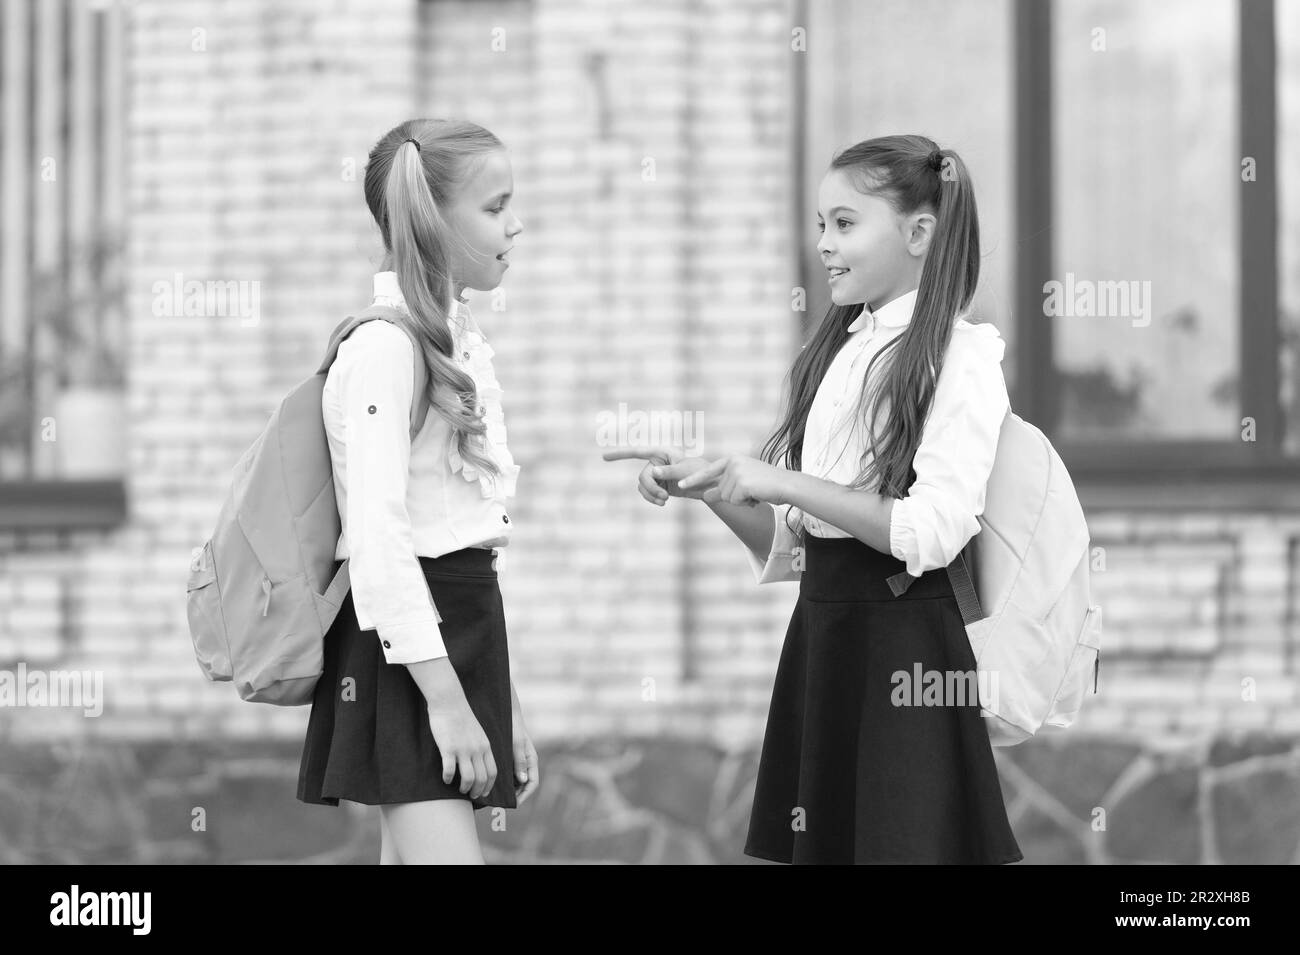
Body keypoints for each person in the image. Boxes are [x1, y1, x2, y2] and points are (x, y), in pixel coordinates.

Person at [606, 134, 1023, 865]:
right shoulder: (842, 349)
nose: (824, 244)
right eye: (820, 224)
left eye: (844, 223)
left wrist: (783, 481)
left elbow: (930, 533)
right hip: (825, 642)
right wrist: (712, 486)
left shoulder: (961, 359)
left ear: (919, 233)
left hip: (907, 658)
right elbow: (799, 549)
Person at [297, 118, 539, 864]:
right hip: (406, 652)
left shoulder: (449, 339)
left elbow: (462, 537)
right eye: (495, 207)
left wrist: (505, 706)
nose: (515, 224)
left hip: (452, 637)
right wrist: (446, 700)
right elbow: (379, 542)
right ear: (434, 220)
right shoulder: (384, 350)